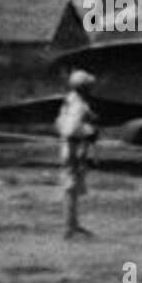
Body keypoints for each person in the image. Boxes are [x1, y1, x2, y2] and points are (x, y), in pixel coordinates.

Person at [55, 69, 99, 238]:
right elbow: (71, 129)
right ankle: (69, 227)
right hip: (74, 148)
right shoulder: (78, 105)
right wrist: (89, 131)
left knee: (72, 188)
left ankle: (73, 224)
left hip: (70, 147)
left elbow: (59, 123)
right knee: (71, 188)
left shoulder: (69, 100)